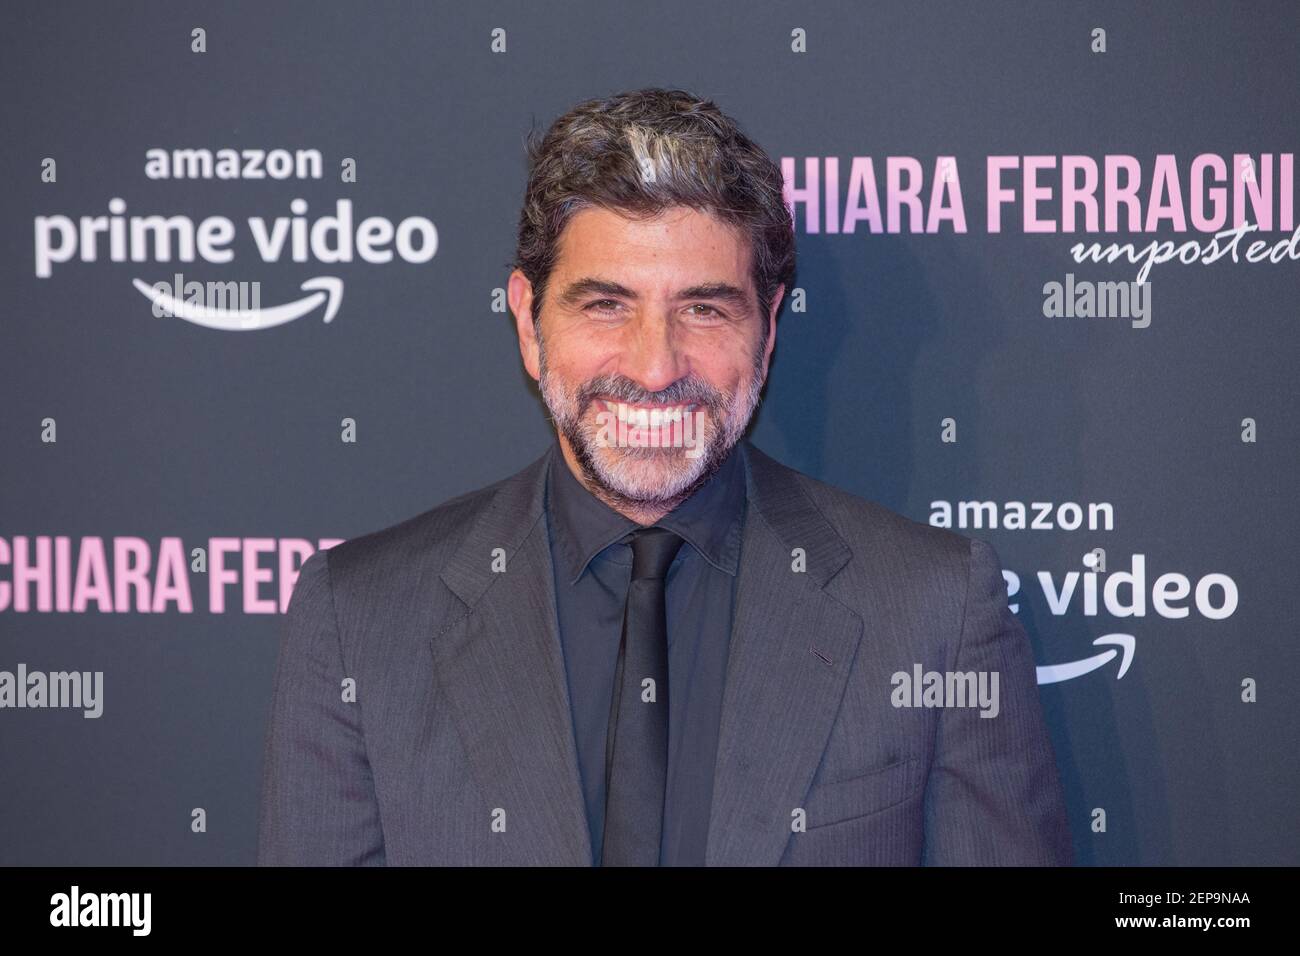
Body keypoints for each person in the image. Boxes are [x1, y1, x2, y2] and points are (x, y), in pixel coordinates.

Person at [257, 87, 1073, 866]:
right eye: (605, 305)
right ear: (528, 324)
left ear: (769, 330)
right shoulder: (358, 620)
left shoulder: (934, 609)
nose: (655, 367)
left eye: (704, 309)